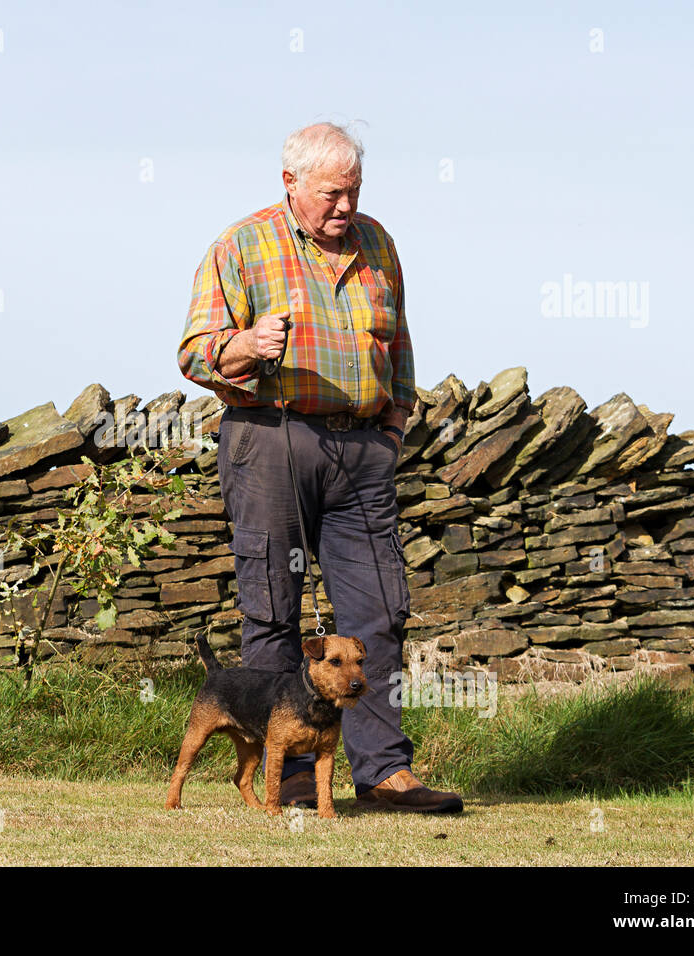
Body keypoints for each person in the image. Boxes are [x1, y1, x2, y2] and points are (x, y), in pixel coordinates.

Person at [176, 122, 463, 813]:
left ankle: (385, 773)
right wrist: (243, 346)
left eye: (354, 191)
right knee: (273, 607)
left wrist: (395, 419)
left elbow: (399, 341)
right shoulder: (240, 245)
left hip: (362, 449)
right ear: (290, 183)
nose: (345, 206)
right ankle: (295, 774)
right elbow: (193, 354)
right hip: (271, 439)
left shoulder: (379, 243)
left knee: (380, 611)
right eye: (332, 193)